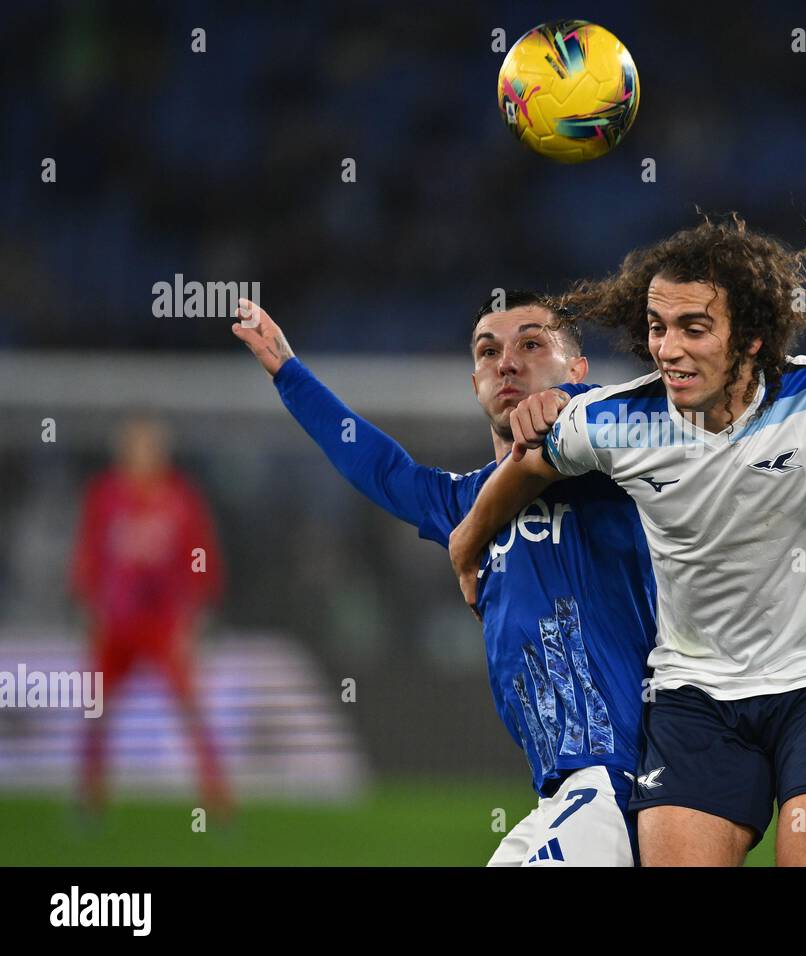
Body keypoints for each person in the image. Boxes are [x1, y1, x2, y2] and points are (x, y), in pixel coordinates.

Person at [449, 216, 806, 866]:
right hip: (696, 694)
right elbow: (528, 467)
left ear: (753, 337)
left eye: (693, 329)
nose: (668, 348)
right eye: (657, 327)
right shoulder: (620, 421)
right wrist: (467, 540)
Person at [230, 293, 656, 866]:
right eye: (488, 352)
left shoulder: (606, 463)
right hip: (561, 792)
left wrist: (569, 402)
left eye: (531, 344)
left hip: (620, 774)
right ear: (474, 382)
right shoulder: (460, 500)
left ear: (577, 368)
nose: (506, 362)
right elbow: (380, 467)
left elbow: (647, 408)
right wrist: (287, 371)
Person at [71, 416, 229, 817]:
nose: (143, 453)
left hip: (165, 622)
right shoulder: (105, 496)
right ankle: (91, 798)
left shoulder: (180, 499)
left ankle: (216, 798)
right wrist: (90, 606)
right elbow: (88, 554)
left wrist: (192, 613)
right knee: (95, 708)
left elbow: (199, 557)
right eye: (136, 444)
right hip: (116, 622)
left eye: (149, 445)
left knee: (191, 707)